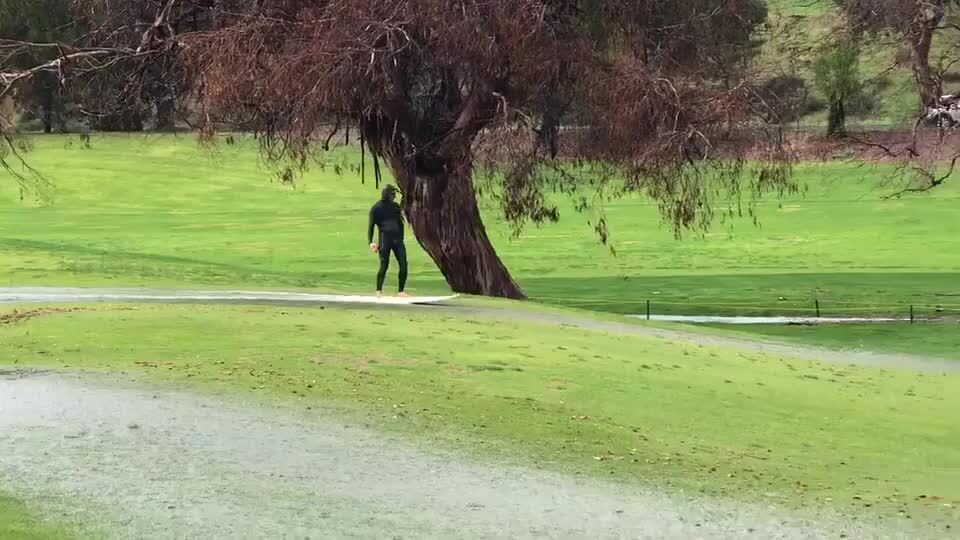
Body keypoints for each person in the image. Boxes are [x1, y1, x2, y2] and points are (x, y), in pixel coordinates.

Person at [367, 184, 409, 297]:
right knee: (384, 265)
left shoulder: (395, 206)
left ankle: (401, 291)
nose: (394, 196)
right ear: (387, 195)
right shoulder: (376, 209)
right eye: (393, 194)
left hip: (398, 240)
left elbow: (401, 221)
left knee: (403, 264)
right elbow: (371, 226)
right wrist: (371, 242)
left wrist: (402, 237)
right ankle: (378, 290)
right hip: (385, 240)